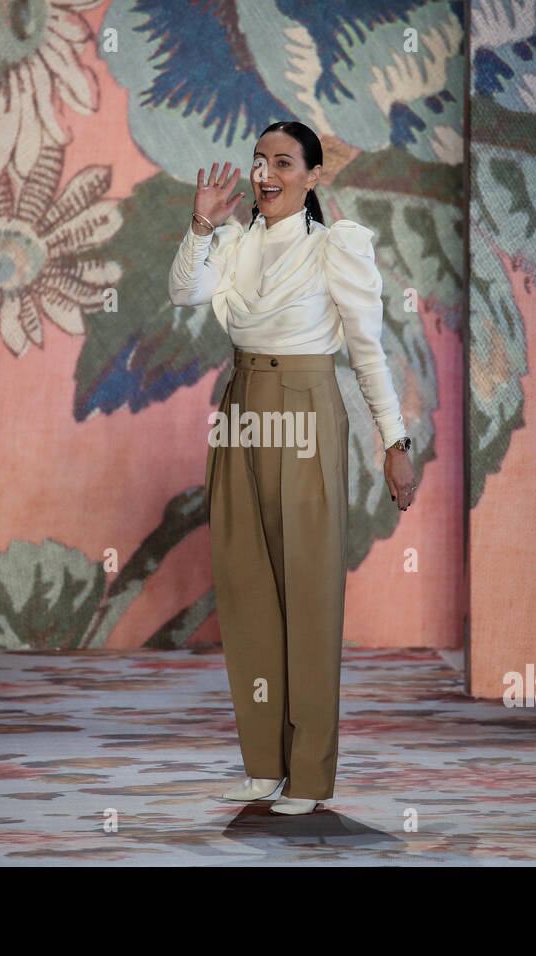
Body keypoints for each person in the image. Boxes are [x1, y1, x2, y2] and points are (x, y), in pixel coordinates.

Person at [168, 120, 417, 815]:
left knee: (307, 589)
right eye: (258, 162)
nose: (264, 174)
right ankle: (262, 762)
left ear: (312, 176)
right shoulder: (233, 243)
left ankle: (308, 773)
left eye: (283, 162)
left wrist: (395, 443)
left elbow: (367, 348)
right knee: (245, 581)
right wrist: (199, 225)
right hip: (243, 402)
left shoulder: (334, 246)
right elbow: (184, 294)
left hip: (306, 405)